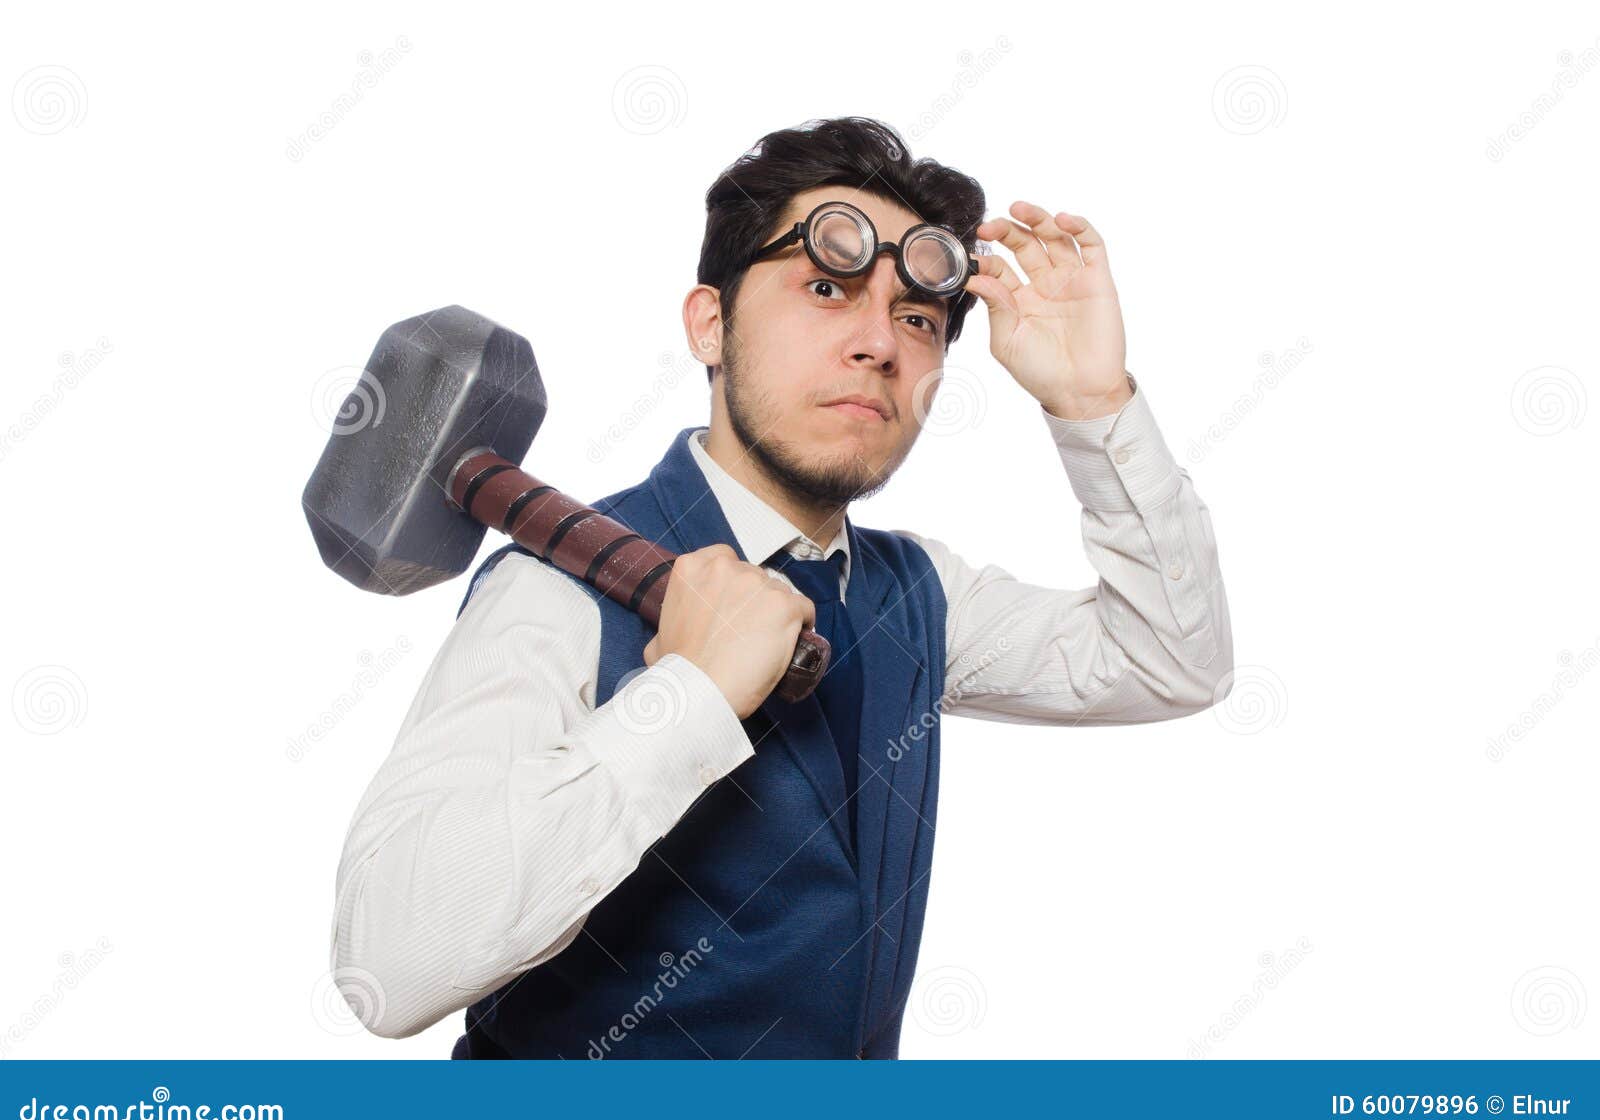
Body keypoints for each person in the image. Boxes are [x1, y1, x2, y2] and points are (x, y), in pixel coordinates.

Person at [329, 115, 1233, 1058]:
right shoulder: (546, 595)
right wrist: (688, 696)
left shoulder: (922, 593)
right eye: (826, 288)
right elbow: (385, 967)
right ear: (709, 324)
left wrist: (1093, 403)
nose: (880, 344)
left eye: (917, 318)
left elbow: (1174, 661)